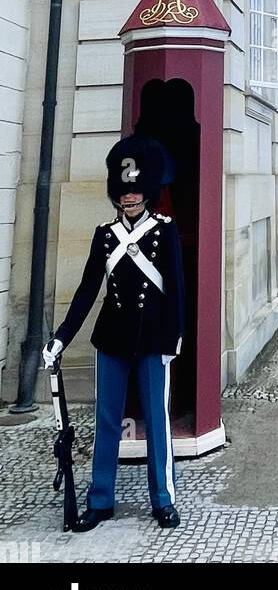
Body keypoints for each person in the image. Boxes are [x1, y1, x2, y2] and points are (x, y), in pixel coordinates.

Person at [42, 134, 185, 532]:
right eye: (124, 192)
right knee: (106, 419)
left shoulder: (164, 231)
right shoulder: (105, 235)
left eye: (137, 191)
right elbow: (88, 290)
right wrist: (61, 337)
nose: (130, 198)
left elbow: (175, 288)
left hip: (155, 338)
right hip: (113, 338)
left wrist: (175, 339)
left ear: (149, 191)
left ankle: (163, 499)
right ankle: (100, 499)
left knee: (157, 419)